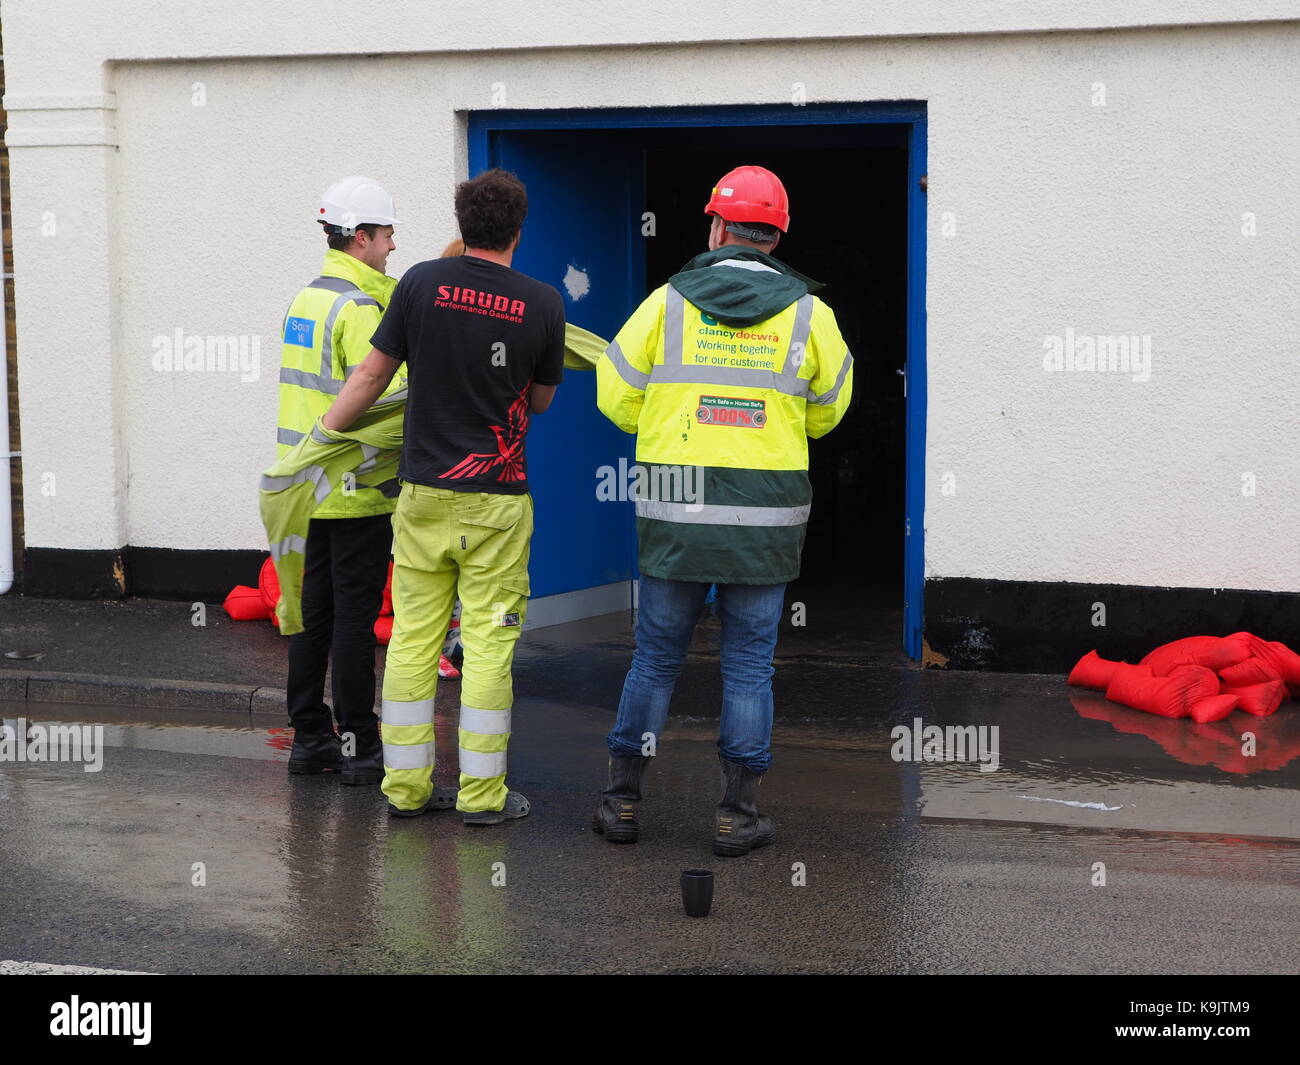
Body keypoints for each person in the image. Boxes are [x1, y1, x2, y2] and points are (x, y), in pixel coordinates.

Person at [591, 164, 854, 856]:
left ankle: (622, 801)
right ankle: (737, 814)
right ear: (775, 236)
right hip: (764, 524)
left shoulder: (666, 302)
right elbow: (829, 413)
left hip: (676, 511)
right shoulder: (810, 314)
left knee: (653, 658)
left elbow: (613, 395)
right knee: (747, 666)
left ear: (716, 227)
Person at [322, 168, 565, 824]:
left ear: (462, 224)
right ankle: (483, 798)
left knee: (410, 640)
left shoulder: (420, 284)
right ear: (517, 229)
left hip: (424, 493)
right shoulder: (543, 303)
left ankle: (404, 789)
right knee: (487, 642)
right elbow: (541, 401)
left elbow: (371, 374)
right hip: (496, 500)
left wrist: (321, 437)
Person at [281, 176, 404, 785]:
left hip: (307, 487)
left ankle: (310, 737)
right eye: (386, 237)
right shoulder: (360, 308)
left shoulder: (308, 298)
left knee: (311, 615)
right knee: (355, 622)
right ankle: (360, 745)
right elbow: (372, 396)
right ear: (360, 237)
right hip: (355, 490)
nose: (390, 248)